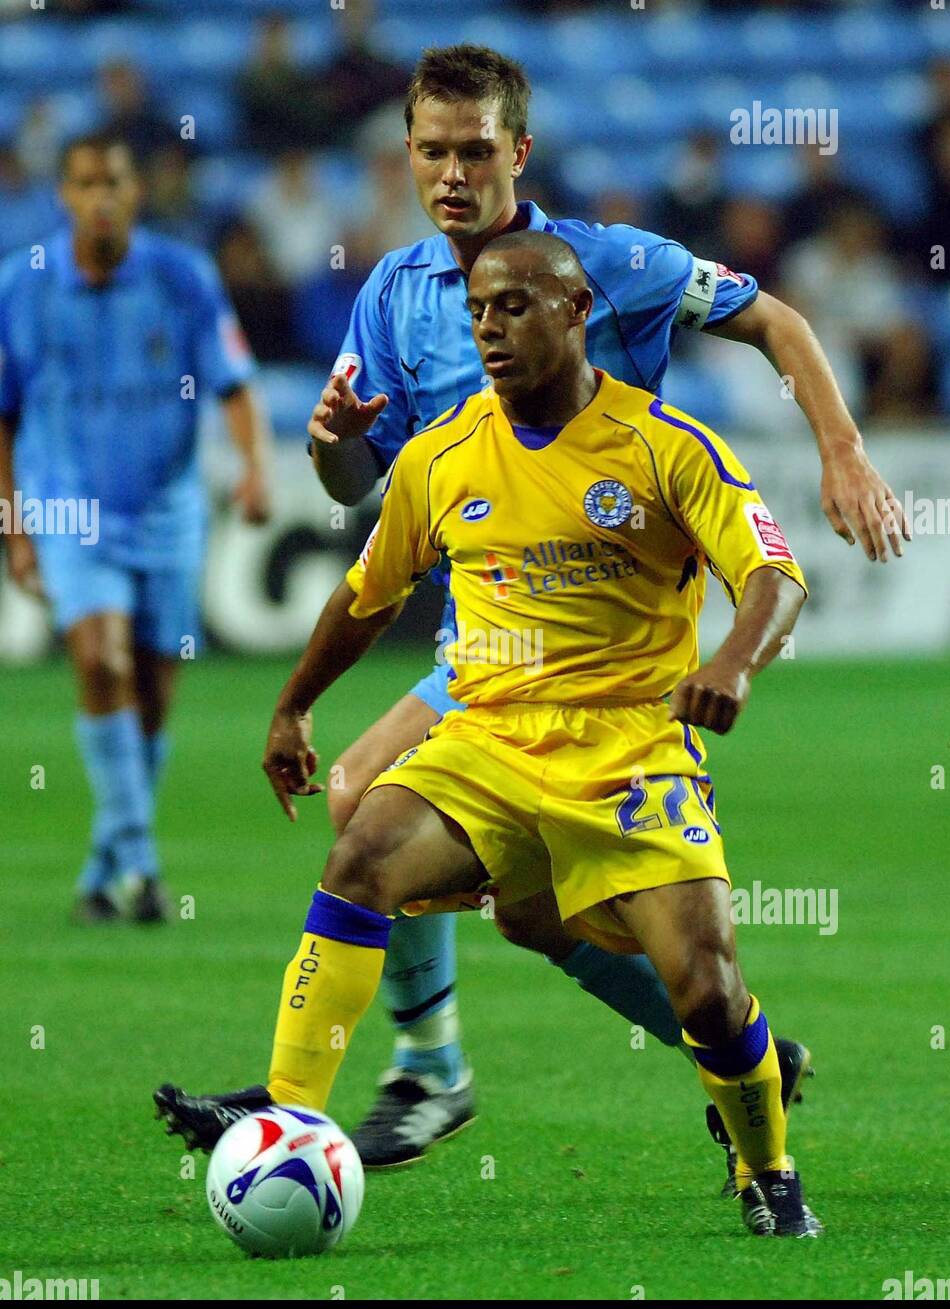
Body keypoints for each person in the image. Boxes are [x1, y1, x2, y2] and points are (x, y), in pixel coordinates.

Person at [294, 45, 905, 1170]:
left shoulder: (615, 262)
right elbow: (355, 485)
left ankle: (438, 1072)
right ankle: (711, 1057)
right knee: (493, 891)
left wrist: (842, 451)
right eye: (430, 152)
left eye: (474, 151)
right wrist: (331, 443)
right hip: (484, 640)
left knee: (402, 827)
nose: (450, 175)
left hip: (609, 642)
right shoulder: (392, 292)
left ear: (517, 152)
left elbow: (774, 320)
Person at [155, 231, 820, 1238]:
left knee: (708, 993)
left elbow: (772, 574)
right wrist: (292, 704)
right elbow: (367, 593)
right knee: (362, 853)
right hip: (489, 739)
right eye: (477, 313)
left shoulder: (666, 446)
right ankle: (291, 1117)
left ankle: (766, 1168)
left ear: (576, 312)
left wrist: (731, 665)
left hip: (629, 748)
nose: (490, 330)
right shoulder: (441, 453)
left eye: (514, 307)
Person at [0, 134, 271, 922]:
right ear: (64, 195)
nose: (101, 197)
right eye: (85, 183)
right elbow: (3, 415)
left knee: (152, 693)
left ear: (135, 191)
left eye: (113, 181)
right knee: (100, 660)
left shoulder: (183, 276)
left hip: (168, 509)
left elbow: (233, 382)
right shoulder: (20, 285)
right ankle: (143, 866)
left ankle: (105, 865)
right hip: (69, 507)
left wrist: (254, 465)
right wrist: (16, 528)